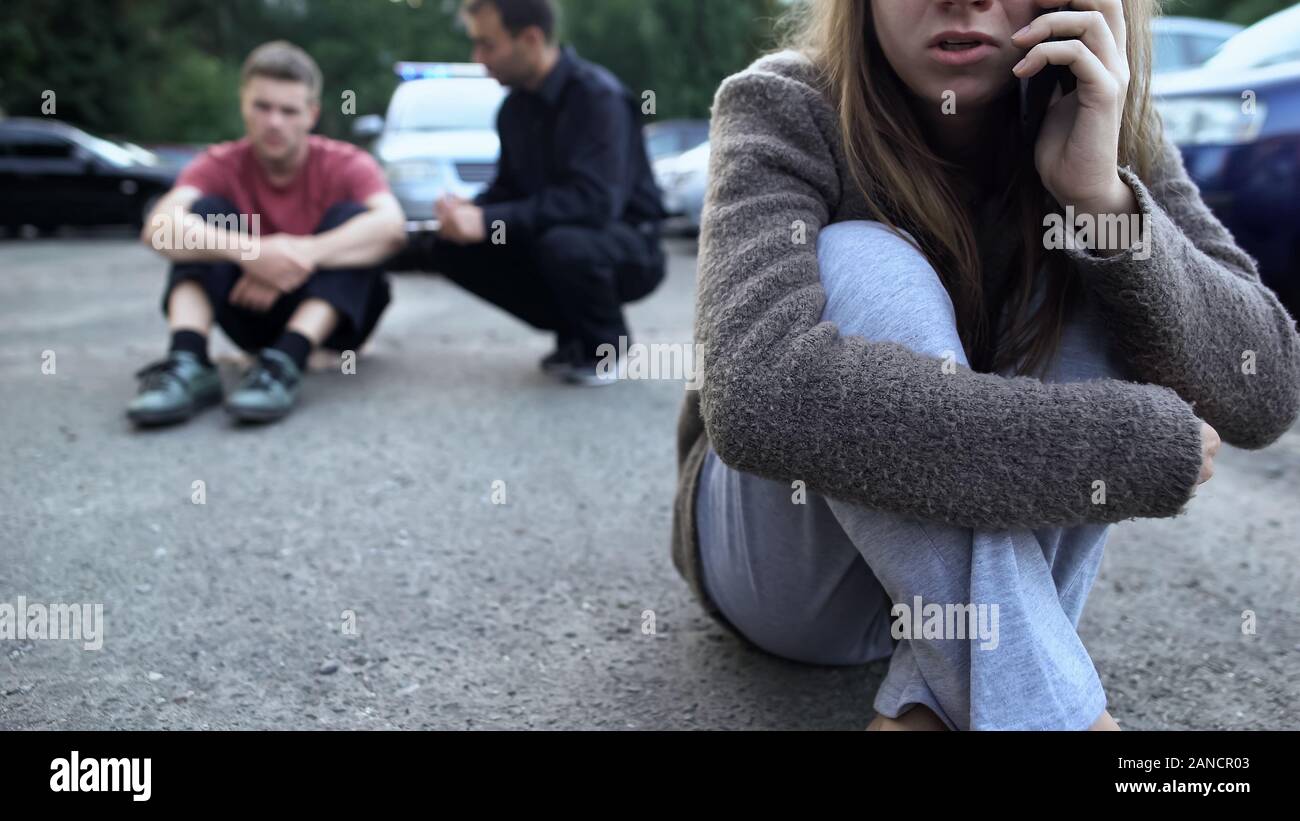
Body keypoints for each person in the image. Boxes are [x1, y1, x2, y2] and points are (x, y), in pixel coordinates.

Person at [670, 0, 1300, 730]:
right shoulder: (784, 104)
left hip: (940, 616)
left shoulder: (1102, 114)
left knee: (1109, 259)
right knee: (863, 261)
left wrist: (1101, 197)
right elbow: (758, 398)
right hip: (795, 589)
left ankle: (929, 704)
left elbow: (1268, 391)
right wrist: (1118, 445)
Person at [128, 41, 406, 426]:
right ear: (244, 104)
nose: (274, 122)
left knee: (356, 221)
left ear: (311, 114)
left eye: (288, 110)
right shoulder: (220, 163)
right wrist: (253, 254)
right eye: (263, 107)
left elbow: (392, 227)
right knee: (204, 215)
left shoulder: (347, 163)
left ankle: (285, 360)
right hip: (251, 310)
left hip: (332, 325)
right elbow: (158, 229)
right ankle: (188, 360)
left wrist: (300, 255)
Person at [405, 0, 667, 386]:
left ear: (530, 38)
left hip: (629, 246)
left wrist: (489, 220)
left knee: (563, 243)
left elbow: (595, 202)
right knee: (446, 246)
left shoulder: (597, 98)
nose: (478, 58)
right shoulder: (513, 110)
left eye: (488, 45)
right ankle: (572, 329)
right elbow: (509, 188)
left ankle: (604, 344)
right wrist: (470, 210)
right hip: (558, 238)